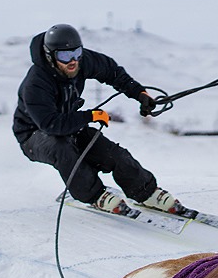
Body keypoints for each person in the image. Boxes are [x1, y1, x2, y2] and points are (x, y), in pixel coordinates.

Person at [12, 24, 189, 217]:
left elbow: (112, 72)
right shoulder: (36, 83)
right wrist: (89, 116)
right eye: (64, 56)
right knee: (62, 148)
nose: (73, 61)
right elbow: (51, 125)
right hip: (34, 135)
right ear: (50, 56)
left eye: (77, 53)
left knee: (113, 153)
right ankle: (94, 195)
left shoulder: (79, 62)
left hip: (69, 126)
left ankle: (146, 192)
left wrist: (140, 93)